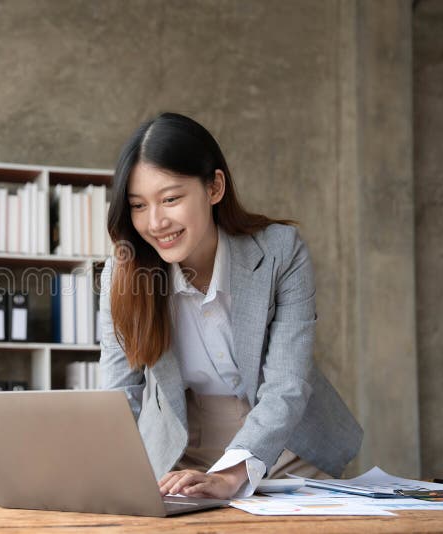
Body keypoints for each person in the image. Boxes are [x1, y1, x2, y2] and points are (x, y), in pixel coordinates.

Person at [99, 112, 362, 500]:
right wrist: (101, 475)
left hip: (284, 443)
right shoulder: (123, 273)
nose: (155, 222)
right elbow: (119, 392)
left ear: (214, 187)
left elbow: (287, 382)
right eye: (138, 205)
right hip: (179, 447)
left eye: (170, 199)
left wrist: (232, 472)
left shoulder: (280, 252)